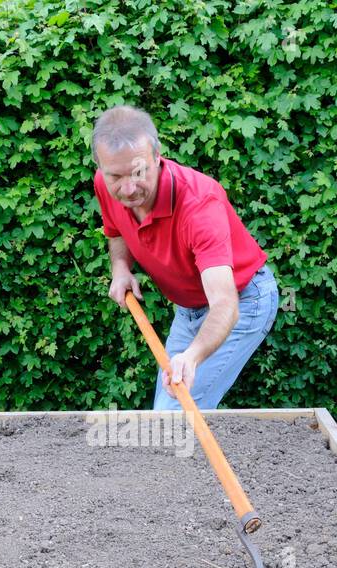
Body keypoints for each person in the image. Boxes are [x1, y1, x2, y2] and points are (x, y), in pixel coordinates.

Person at [91, 105, 278, 410]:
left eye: (139, 172)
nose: (128, 188)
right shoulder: (104, 184)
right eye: (115, 176)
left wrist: (191, 357)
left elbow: (225, 304)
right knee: (168, 414)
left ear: (157, 155)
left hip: (242, 301)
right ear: (101, 168)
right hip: (189, 308)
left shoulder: (200, 205)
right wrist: (121, 268)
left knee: (174, 414)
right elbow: (116, 230)